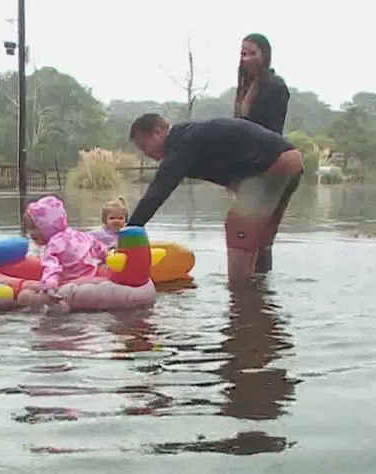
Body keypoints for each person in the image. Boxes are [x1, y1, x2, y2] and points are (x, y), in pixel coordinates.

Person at [126, 113, 303, 285]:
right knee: (256, 239)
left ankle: (239, 296)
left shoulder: (180, 143)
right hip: (290, 162)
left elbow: (158, 191)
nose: (146, 153)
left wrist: (128, 233)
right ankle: (258, 298)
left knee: (237, 229)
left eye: (144, 147)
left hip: (273, 165)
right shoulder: (189, 136)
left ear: (158, 132)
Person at [234, 33, 290, 273]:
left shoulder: (275, 86)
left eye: (252, 53)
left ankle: (258, 291)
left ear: (265, 56)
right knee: (249, 234)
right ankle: (253, 296)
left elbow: (269, 131)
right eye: (243, 53)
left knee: (262, 235)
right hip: (249, 168)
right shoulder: (245, 88)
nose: (246, 59)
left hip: (270, 165)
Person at [23, 195, 108, 297]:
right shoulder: (79, 235)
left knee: (25, 296)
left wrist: (49, 288)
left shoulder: (53, 245)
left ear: (47, 226)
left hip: (73, 284)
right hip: (94, 276)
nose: (31, 233)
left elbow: (52, 268)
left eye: (34, 228)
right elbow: (100, 249)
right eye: (29, 229)